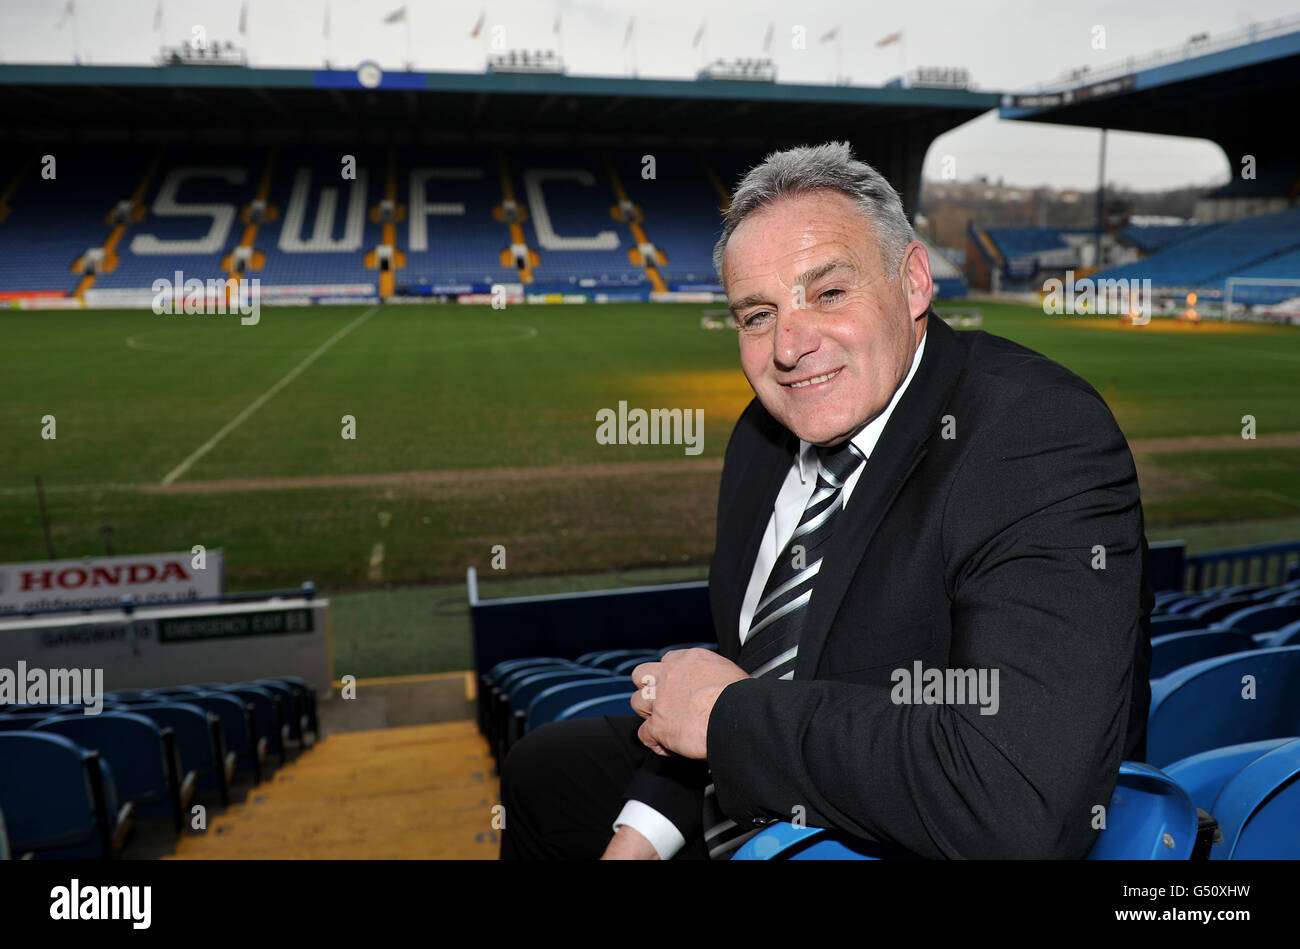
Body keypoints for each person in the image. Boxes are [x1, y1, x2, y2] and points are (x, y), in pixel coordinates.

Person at [499, 141, 1152, 860]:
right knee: (545, 769)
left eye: (828, 293)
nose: (788, 346)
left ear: (912, 283)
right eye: (757, 314)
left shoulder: (1034, 436)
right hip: (784, 772)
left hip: (937, 821)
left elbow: (1017, 795)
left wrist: (727, 720)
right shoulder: (760, 437)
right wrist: (641, 834)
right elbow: (759, 660)